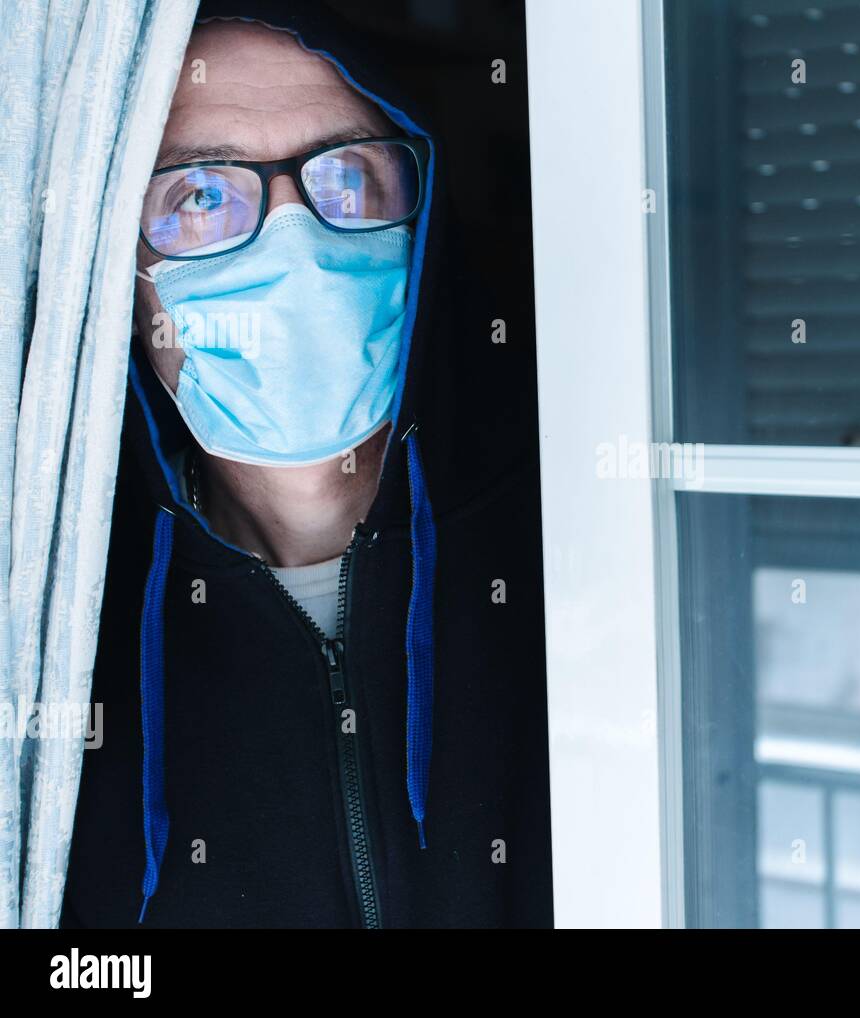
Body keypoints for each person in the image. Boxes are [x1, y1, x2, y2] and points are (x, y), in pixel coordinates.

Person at [60, 2, 552, 928]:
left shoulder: (573, 566)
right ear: (120, 277)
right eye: (200, 195)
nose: (298, 242)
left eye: (349, 176)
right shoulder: (64, 645)